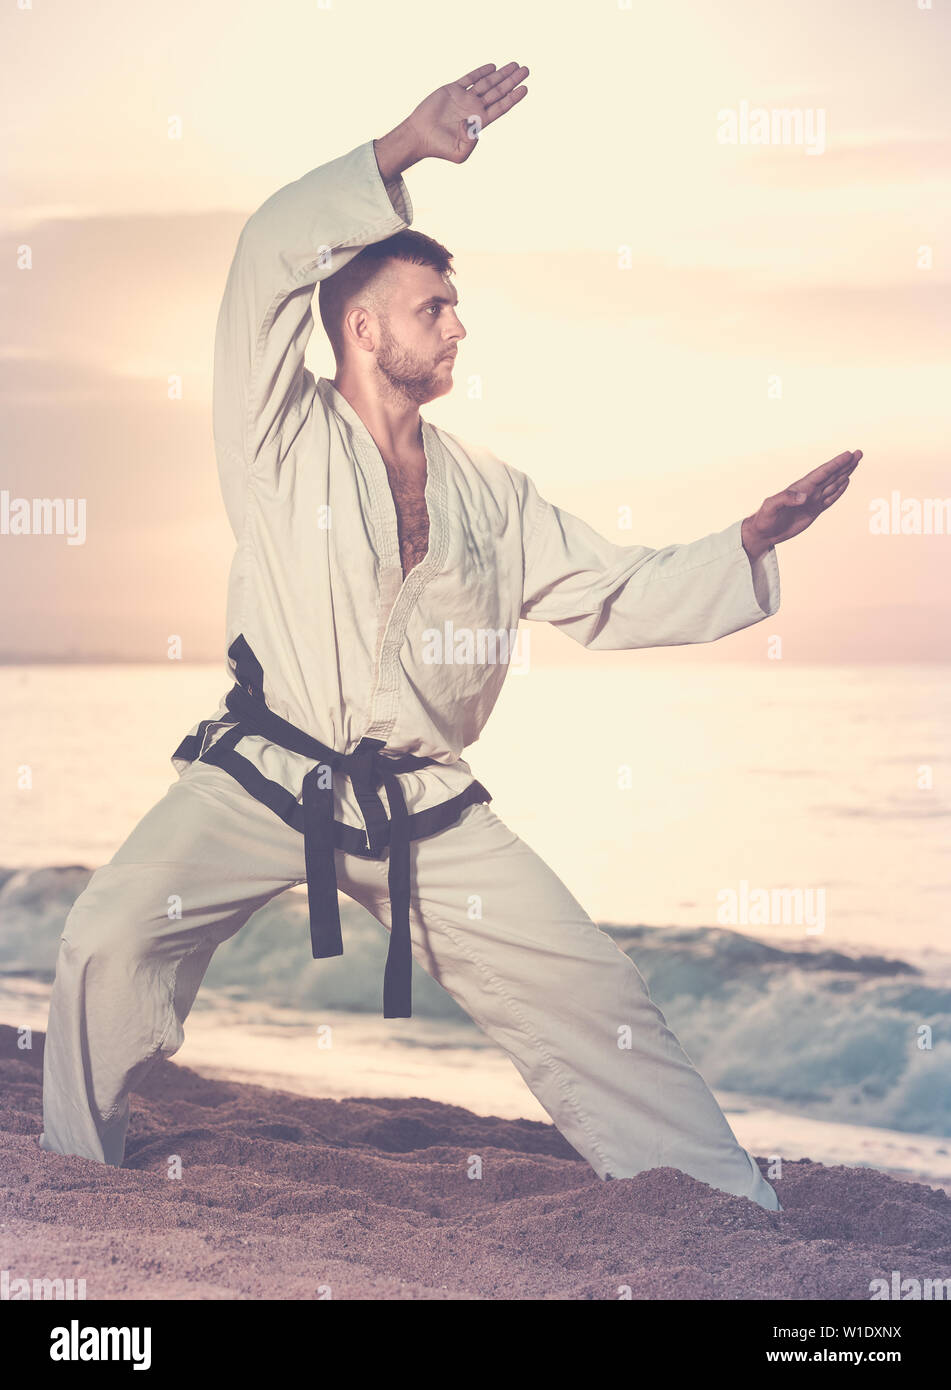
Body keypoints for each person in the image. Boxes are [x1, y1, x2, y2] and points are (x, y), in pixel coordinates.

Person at [39, 62, 861, 1212]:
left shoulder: (491, 491)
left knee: (597, 994)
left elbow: (612, 590)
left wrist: (745, 541)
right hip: (266, 772)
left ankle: (726, 1206)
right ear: (364, 327)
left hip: (420, 801)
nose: (459, 326)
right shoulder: (276, 435)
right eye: (437, 308)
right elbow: (263, 258)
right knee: (107, 938)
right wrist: (400, 149)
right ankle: (78, 1177)